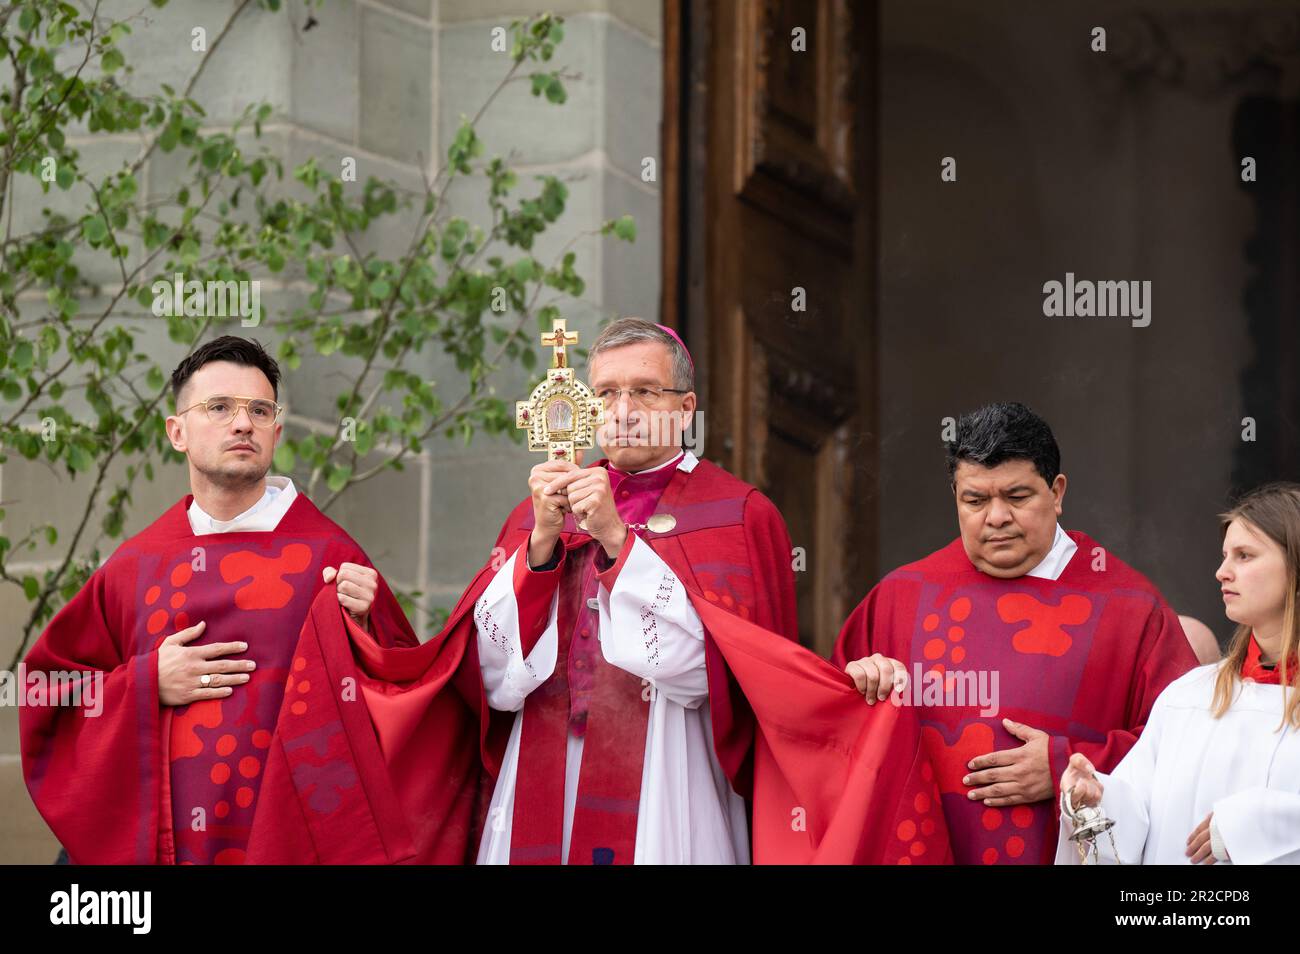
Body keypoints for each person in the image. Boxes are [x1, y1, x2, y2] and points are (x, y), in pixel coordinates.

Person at [20, 336, 417, 864]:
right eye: (220, 407)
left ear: (276, 429)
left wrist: (366, 631)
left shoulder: (334, 561)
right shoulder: (133, 569)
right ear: (176, 432)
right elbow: (49, 694)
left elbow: (410, 707)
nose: (242, 423)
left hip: (289, 844)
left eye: (259, 409)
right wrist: (145, 684)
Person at [466, 317, 800, 864]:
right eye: (605, 393)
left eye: (644, 392)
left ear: (686, 409)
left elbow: (705, 674)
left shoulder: (736, 513)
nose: (622, 412)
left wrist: (616, 539)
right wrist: (540, 547)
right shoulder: (538, 512)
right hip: (544, 767)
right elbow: (494, 674)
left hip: (671, 771)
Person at [833, 402, 1198, 864]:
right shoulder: (900, 597)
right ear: (955, 497)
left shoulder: (1129, 607)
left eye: (1018, 496)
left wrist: (1069, 766)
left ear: (1057, 492)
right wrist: (858, 684)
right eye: (976, 500)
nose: (997, 517)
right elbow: (828, 731)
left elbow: (1186, 748)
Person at [1057, 482, 1300, 865]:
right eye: (1224, 556)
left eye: (1245, 556)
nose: (1222, 572)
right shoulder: (1188, 696)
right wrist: (1095, 800)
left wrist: (1259, 827)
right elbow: (1141, 812)